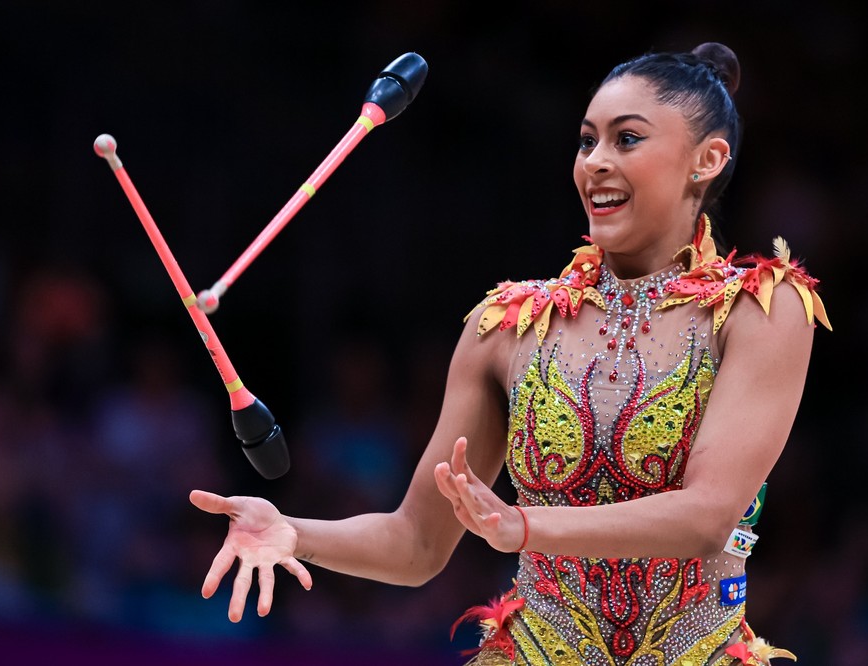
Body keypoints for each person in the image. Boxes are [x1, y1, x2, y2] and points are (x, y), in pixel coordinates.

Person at [189, 42, 831, 665]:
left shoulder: (759, 311)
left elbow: (705, 516)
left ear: (707, 159)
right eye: (587, 141)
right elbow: (416, 542)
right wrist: (294, 531)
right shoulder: (510, 327)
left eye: (626, 139)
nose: (595, 162)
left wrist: (522, 528)